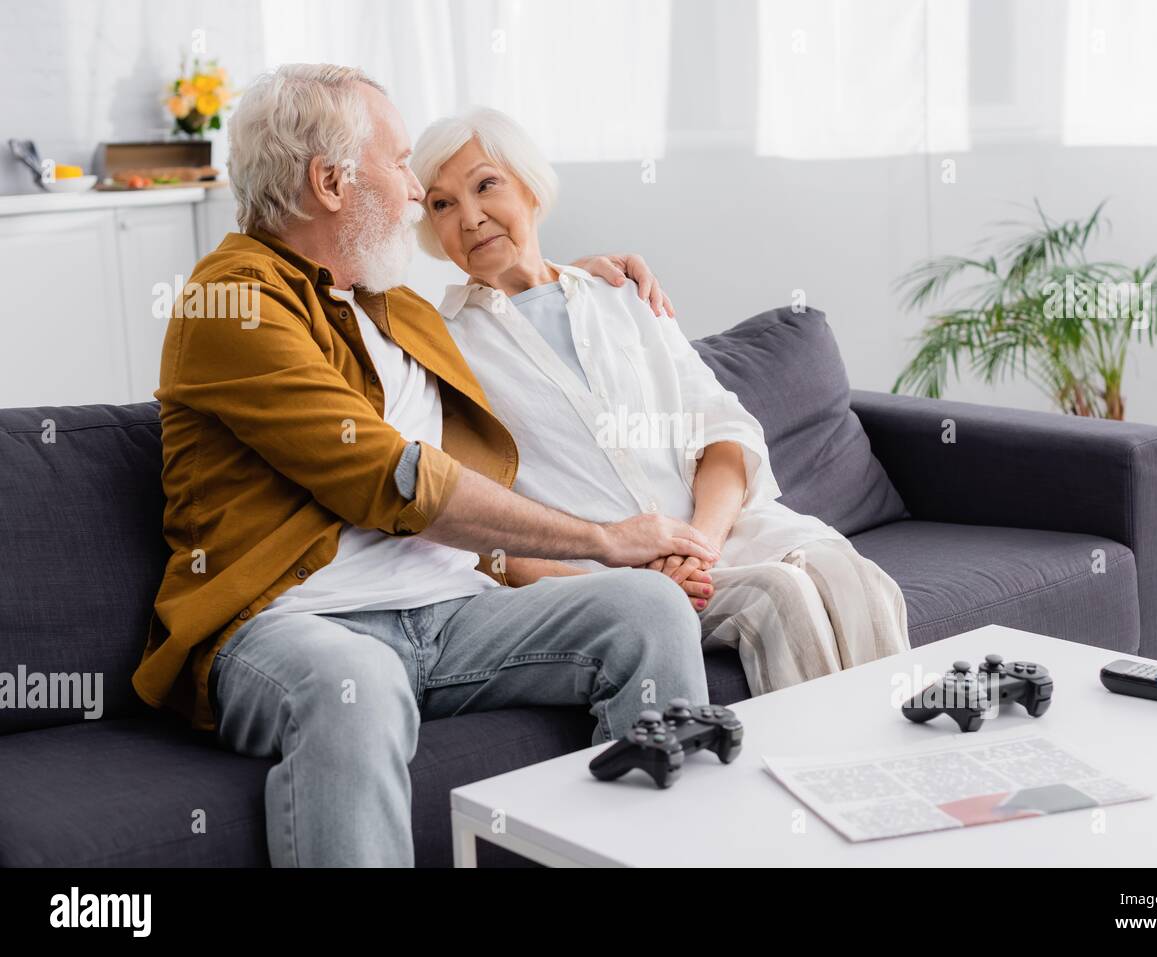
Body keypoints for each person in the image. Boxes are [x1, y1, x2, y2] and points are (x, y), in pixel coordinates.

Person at [133, 64, 718, 867]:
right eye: (403, 163)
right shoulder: (228, 302)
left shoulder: (394, 301)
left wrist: (579, 281)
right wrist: (604, 537)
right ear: (331, 181)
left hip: (451, 616)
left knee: (649, 609)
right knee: (358, 686)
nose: (415, 192)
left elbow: (504, 307)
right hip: (292, 627)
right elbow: (390, 475)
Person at [409, 106, 911, 698]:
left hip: (718, 534)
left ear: (529, 185)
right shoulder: (438, 347)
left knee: (858, 578)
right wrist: (635, 583)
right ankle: (817, 782)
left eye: (485, 184)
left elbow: (723, 432)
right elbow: (474, 523)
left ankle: (900, 776)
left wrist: (698, 547)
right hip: (600, 576)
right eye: (441, 204)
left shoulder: (620, 295)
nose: (469, 218)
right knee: (782, 597)